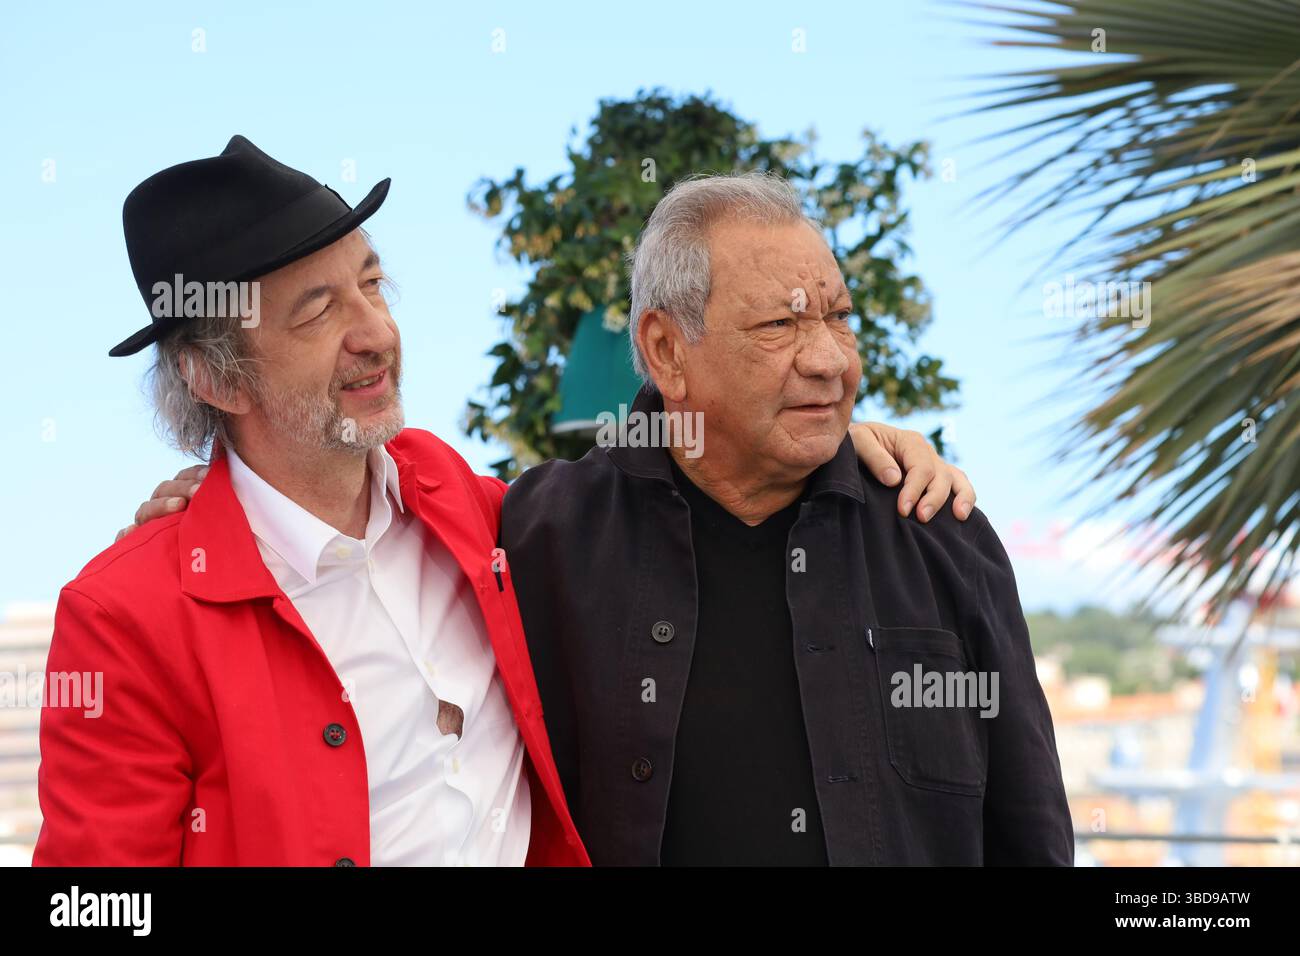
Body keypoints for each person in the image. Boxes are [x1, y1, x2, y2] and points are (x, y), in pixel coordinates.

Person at [40, 139, 973, 866]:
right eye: (316, 312)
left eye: (372, 284)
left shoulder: (482, 513)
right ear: (216, 377)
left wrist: (834, 438)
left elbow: (683, 470)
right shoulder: (128, 618)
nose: (375, 333)